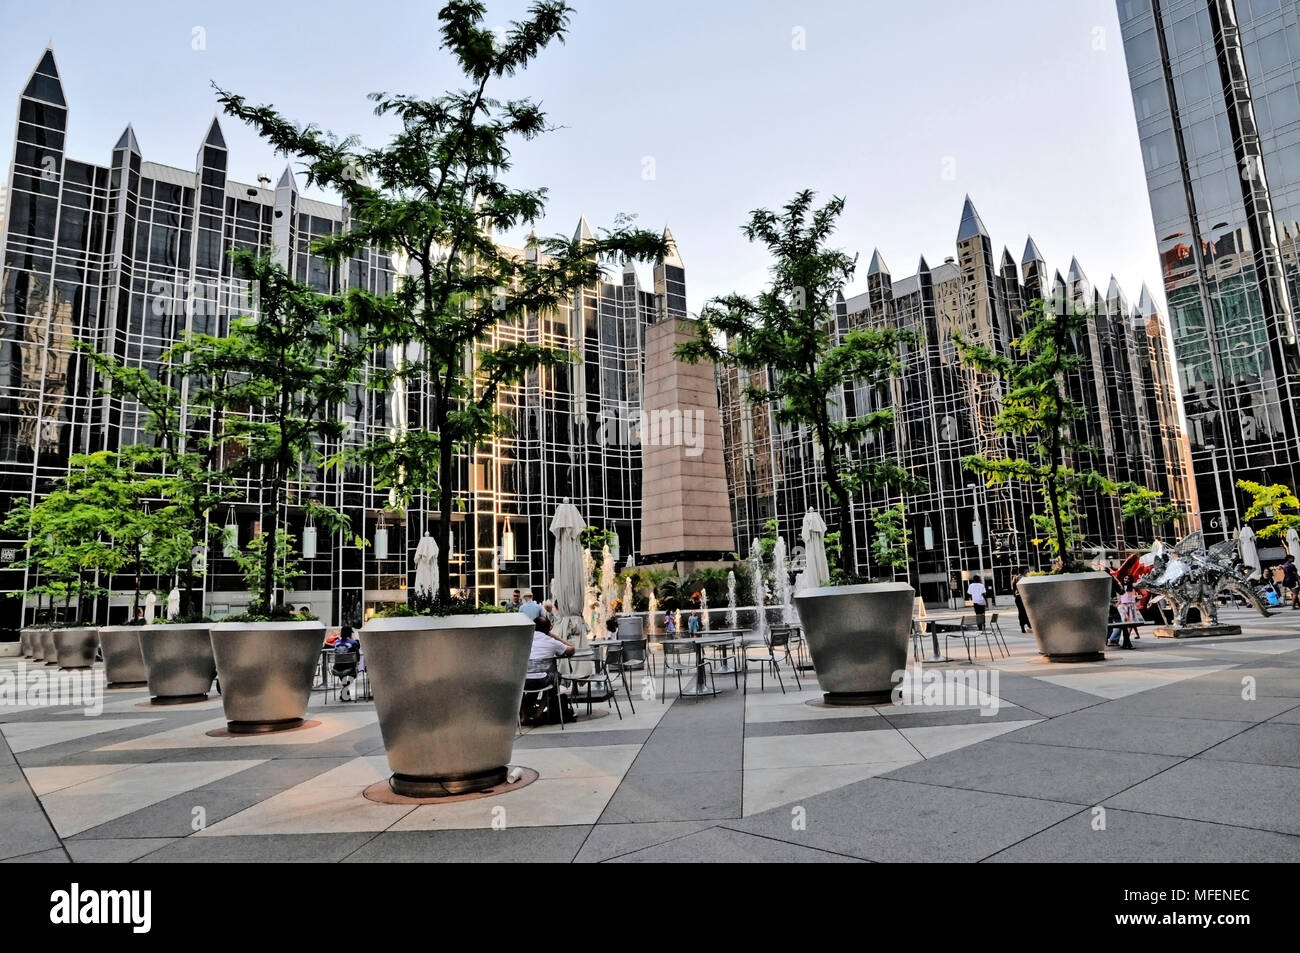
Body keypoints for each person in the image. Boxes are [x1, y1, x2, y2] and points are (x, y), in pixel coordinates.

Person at [521, 616, 574, 725]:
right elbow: (571, 649)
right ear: (548, 629)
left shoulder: (523, 640)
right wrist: (554, 636)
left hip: (524, 681)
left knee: (531, 681)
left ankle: (524, 716)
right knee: (555, 678)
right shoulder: (550, 641)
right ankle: (539, 714)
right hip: (543, 681)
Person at [332, 625, 361, 701]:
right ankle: (345, 690)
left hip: (336, 668)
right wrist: (358, 662)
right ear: (349, 634)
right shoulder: (353, 642)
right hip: (349, 668)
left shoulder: (336, 642)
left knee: (342, 672)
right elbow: (357, 654)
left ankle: (345, 692)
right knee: (354, 674)